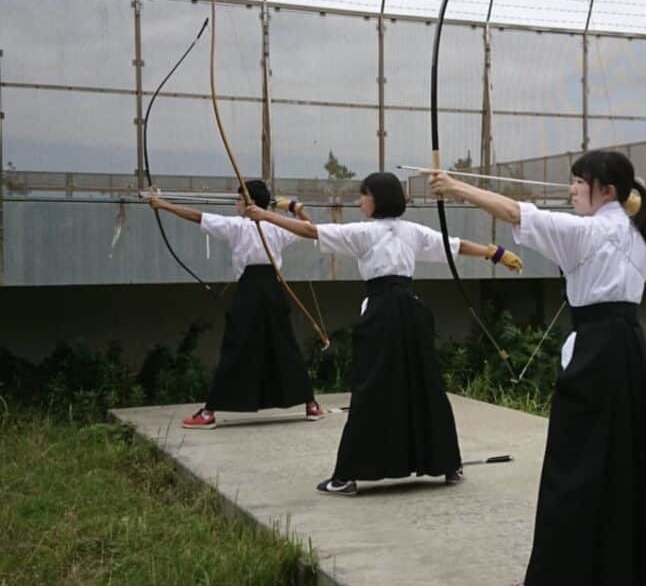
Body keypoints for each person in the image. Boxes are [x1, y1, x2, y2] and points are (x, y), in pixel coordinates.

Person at [430, 150, 646, 586]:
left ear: (607, 190)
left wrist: (455, 188)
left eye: (580, 183)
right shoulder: (645, 233)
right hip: (630, 351)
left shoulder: (585, 232)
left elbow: (515, 211)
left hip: (597, 351)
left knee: (572, 464)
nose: (572, 191)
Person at [246, 171, 523, 495]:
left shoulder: (366, 232)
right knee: (425, 383)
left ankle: (347, 477)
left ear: (376, 198)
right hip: (411, 311)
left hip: (383, 311)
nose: (360, 200)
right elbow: (457, 247)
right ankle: (448, 464)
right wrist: (495, 253)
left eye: (363, 194)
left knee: (371, 387)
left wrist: (263, 214)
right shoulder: (409, 231)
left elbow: (310, 230)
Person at [147, 180, 324, 428]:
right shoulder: (272, 225)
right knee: (283, 343)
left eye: (239, 200)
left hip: (252, 290)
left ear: (249, 203)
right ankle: (311, 405)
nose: (236, 204)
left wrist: (162, 205)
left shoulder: (239, 226)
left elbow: (197, 217)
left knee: (238, 345)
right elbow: (309, 226)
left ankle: (209, 412)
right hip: (271, 289)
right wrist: (295, 208)